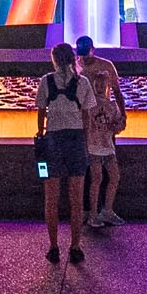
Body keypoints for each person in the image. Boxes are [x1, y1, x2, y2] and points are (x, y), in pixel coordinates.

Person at [36, 43, 91, 264]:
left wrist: (41, 134)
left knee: (51, 198)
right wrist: (85, 141)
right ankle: (76, 246)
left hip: (52, 141)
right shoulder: (83, 82)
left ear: (55, 59)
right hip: (76, 140)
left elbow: (41, 111)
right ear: (72, 59)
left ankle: (53, 246)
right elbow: (86, 115)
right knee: (76, 198)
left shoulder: (46, 80)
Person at [83, 56, 127, 229]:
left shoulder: (111, 105)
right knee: (96, 179)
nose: (100, 87)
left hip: (108, 146)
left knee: (114, 176)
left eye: (103, 84)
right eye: (97, 84)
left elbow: (118, 125)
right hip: (94, 147)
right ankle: (93, 214)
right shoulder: (89, 105)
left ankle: (107, 210)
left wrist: (118, 123)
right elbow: (86, 124)